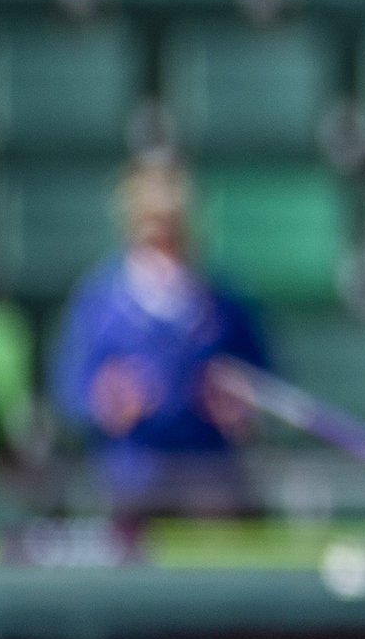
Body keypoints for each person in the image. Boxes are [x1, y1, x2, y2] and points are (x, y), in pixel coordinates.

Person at [51, 152, 267, 521]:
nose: (164, 242)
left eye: (173, 228)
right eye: (154, 227)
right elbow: (71, 389)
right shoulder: (100, 301)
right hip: (133, 472)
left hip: (208, 472)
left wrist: (241, 404)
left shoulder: (225, 301)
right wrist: (104, 398)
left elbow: (262, 379)